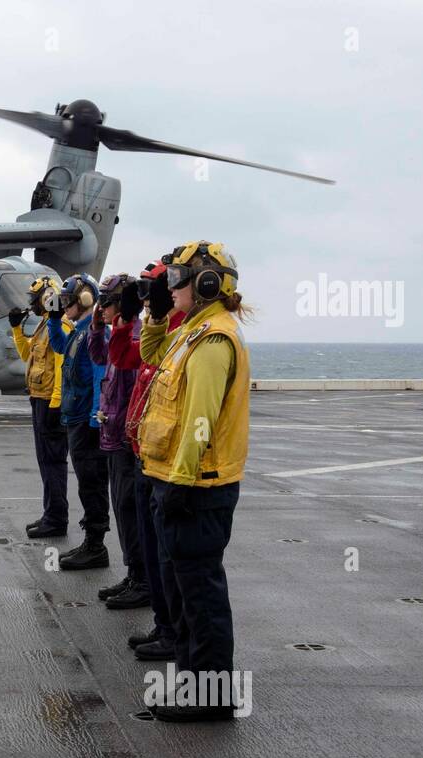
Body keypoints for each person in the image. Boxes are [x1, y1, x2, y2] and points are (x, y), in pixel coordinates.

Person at [137, 241, 250, 721]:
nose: (170, 284)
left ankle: (212, 697)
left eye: (177, 277)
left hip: (197, 487)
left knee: (199, 595)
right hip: (176, 481)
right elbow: (151, 354)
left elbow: (200, 420)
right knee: (182, 591)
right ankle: (192, 686)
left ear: (206, 282)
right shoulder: (192, 331)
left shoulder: (213, 341)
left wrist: (181, 482)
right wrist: (159, 315)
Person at [125, 262, 183, 657]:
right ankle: (164, 625)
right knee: (153, 549)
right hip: (147, 453)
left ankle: (174, 635)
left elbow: (140, 359)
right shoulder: (168, 327)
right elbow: (145, 354)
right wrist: (153, 315)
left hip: (169, 464)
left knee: (174, 564)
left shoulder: (194, 334)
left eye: (159, 288)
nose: (152, 297)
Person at [89, 273, 150, 608]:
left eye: (107, 301)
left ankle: (142, 579)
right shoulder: (116, 334)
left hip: (126, 439)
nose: (102, 307)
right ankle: (133, 574)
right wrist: (98, 327)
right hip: (113, 437)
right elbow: (99, 357)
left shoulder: (137, 335)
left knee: (130, 510)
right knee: (122, 509)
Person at [48, 273, 109, 570]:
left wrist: (96, 417)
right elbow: (59, 347)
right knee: (86, 483)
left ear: (84, 299)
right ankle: (91, 543)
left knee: (92, 483)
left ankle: (96, 546)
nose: (64, 305)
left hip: (86, 422)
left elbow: (101, 375)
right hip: (76, 418)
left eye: (66, 300)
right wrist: (52, 319)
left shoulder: (95, 332)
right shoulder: (78, 331)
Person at [8, 276, 71, 538]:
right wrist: (16, 330)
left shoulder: (61, 326)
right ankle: (51, 514)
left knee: (53, 461)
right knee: (46, 461)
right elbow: (26, 356)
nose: (31, 304)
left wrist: (57, 402)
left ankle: (56, 519)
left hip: (49, 402)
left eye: (34, 299)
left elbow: (61, 366)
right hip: (39, 399)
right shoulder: (44, 326)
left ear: (46, 298)